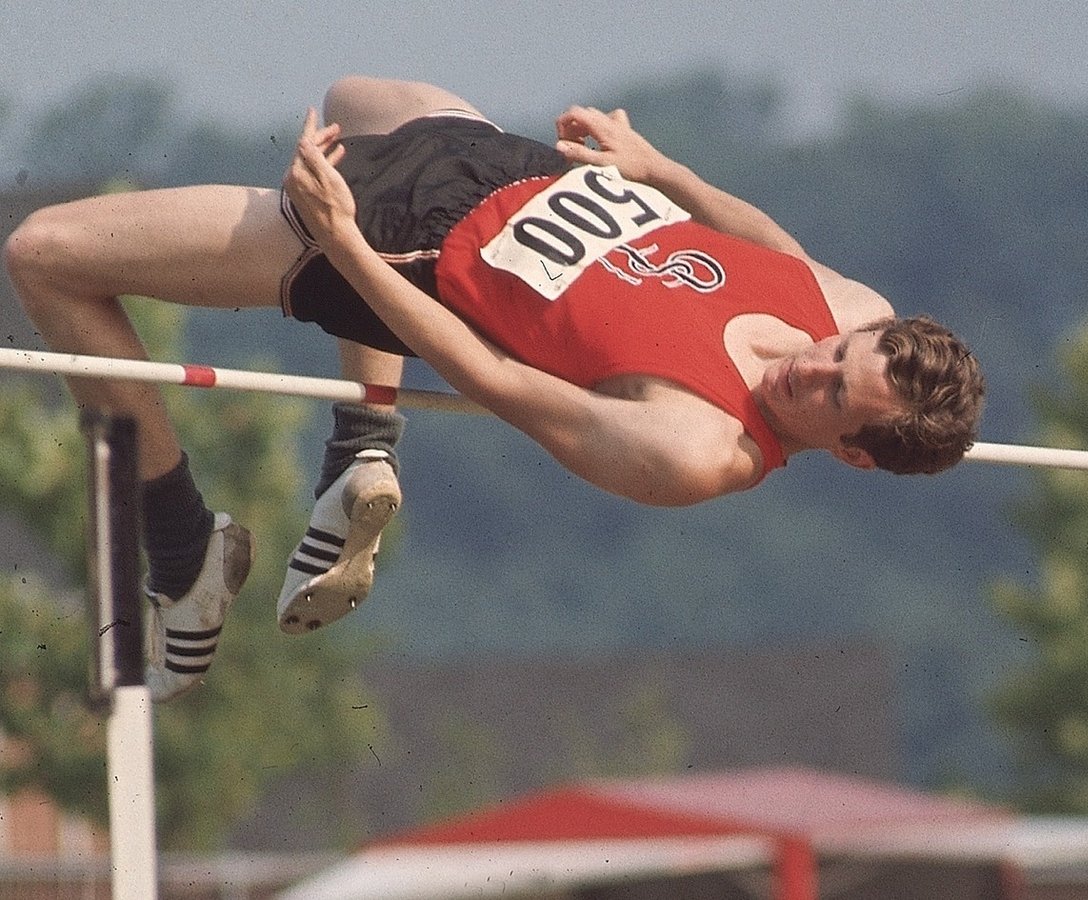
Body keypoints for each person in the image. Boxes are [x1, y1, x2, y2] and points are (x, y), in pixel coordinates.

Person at [2, 76, 986, 701]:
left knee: (44, 255)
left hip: (424, 247)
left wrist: (344, 243)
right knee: (358, 91)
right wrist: (665, 172)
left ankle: (184, 559)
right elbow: (778, 250)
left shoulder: (693, 448)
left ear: (852, 452)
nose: (806, 363)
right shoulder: (856, 314)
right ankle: (362, 448)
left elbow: (491, 375)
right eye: (836, 353)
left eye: (825, 394)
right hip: (513, 171)